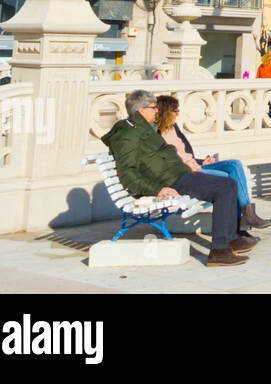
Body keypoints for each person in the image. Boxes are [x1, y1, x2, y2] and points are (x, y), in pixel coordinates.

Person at [101, 90, 254, 266]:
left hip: (177, 175)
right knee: (225, 187)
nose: (157, 111)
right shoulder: (128, 135)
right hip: (171, 181)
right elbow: (127, 173)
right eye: (153, 108)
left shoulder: (141, 128)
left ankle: (230, 239)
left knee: (228, 183)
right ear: (141, 110)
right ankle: (220, 250)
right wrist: (158, 189)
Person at [155, 95, 271, 229]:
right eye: (175, 111)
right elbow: (167, 160)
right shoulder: (157, 134)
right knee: (230, 180)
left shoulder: (173, 128)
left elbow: (185, 154)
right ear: (166, 112)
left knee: (234, 164)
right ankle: (243, 218)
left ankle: (247, 213)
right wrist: (188, 166)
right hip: (186, 172)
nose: (177, 114)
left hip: (196, 165)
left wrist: (202, 161)